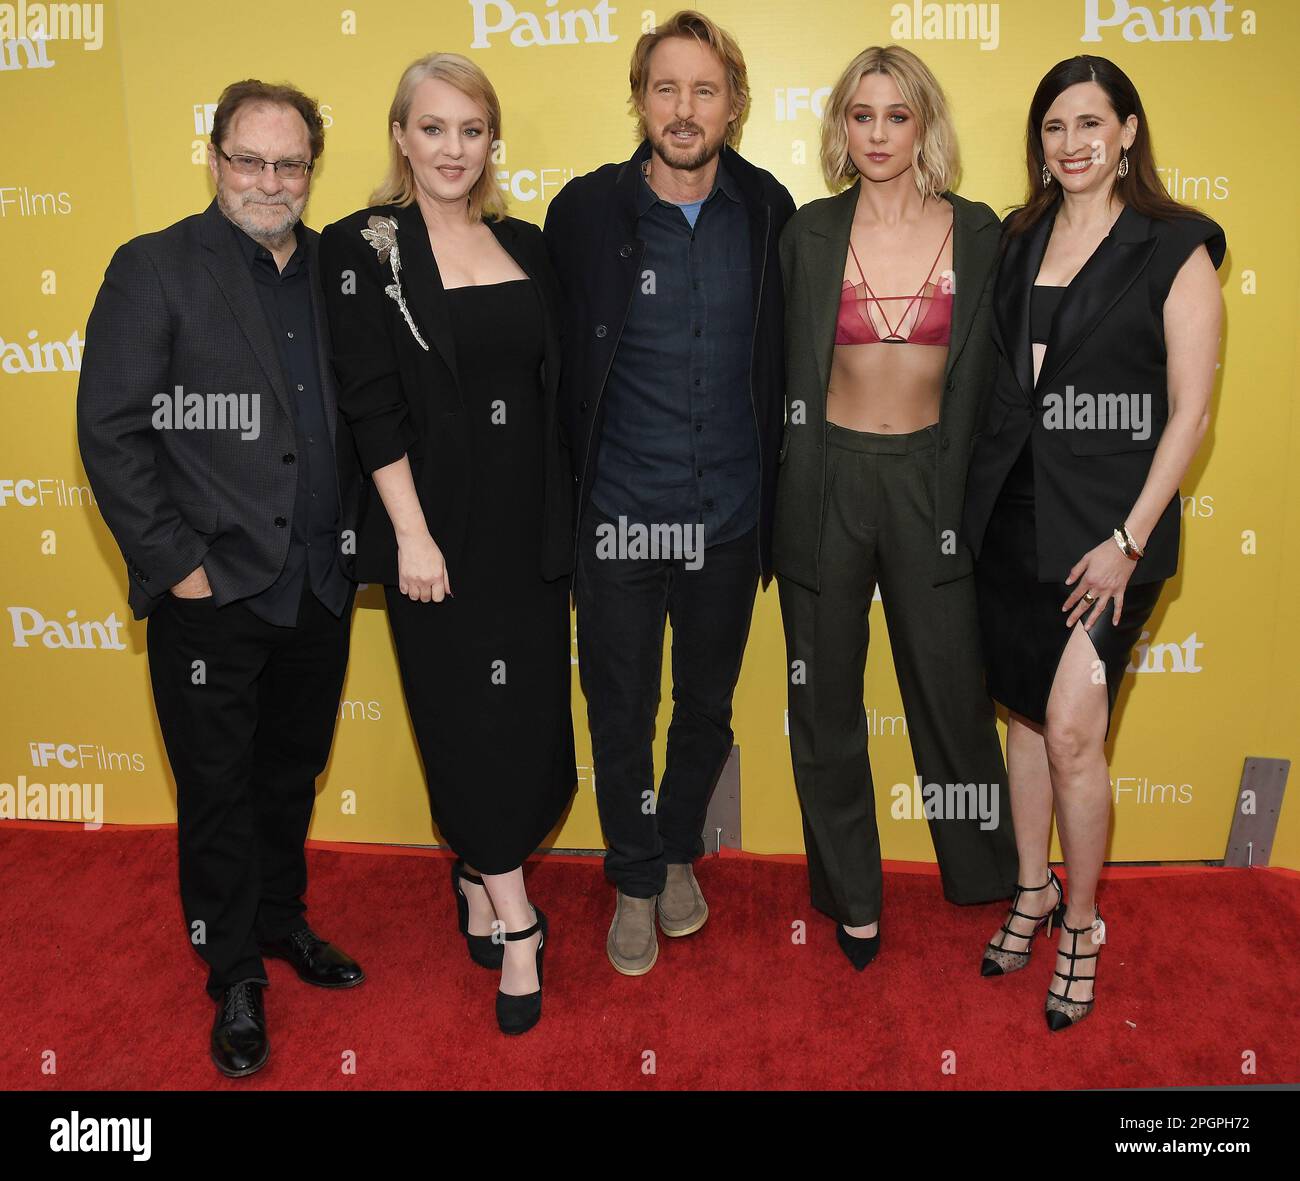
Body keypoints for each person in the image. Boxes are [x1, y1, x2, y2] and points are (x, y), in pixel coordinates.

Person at [77, 79, 363, 1078]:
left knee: (291, 769)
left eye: (290, 164)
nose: (269, 181)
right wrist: (179, 568)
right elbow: (111, 431)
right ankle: (233, 970)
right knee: (216, 789)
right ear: (214, 158)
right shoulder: (154, 267)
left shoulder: (338, 272)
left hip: (320, 581)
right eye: (250, 160)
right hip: (213, 591)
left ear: (311, 170)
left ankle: (280, 920)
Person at [963, 55, 1225, 1029]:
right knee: (1029, 717)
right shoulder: (1017, 237)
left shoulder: (1174, 245)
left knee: (1073, 726)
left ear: (1126, 132)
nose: (1070, 143)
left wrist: (1128, 538)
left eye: (1089, 123)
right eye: (1053, 126)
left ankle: (1080, 922)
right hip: (1011, 516)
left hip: (1112, 528)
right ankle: (1031, 888)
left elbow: (1190, 414)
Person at [319, 52, 575, 1036]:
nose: (452, 149)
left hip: (528, 531)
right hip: (436, 536)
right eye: (432, 128)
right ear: (400, 136)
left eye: (470, 130)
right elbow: (369, 400)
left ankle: (475, 873)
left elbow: (554, 389)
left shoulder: (526, 243)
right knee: (466, 722)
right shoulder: (362, 246)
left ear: (491, 140)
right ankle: (519, 921)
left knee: (529, 724)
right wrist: (411, 534)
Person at [543, 10, 794, 976]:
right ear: (640, 101)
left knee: (705, 705)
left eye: (704, 90)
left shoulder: (768, 210)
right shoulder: (584, 213)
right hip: (619, 518)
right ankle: (635, 876)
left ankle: (678, 845)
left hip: (727, 516)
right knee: (619, 711)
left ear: (733, 105)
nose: (684, 109)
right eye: (666, 88)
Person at [773, 45, 1018, 971]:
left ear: (925, 124)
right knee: (824, 701)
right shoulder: (808, 233)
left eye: (897, 115)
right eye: (861, 115)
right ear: (842, 125)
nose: (878, 134)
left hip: (932, 482)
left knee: (952, 691)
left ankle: (988, 873)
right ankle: (852, 895)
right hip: (826, 479)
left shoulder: (980, 231)